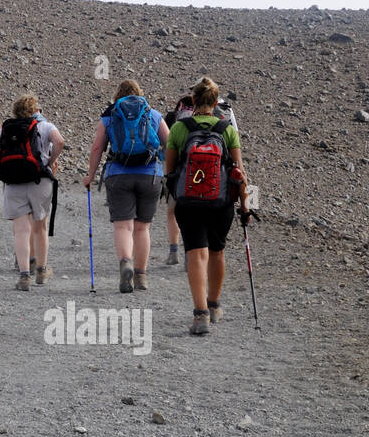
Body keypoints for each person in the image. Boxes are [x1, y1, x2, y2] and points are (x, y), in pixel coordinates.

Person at [164, 76, 251, 336]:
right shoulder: (227, 129)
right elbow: (239, 172)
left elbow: (168, 170)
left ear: (193, 100)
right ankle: (213, 306)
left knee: (195, 253)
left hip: (189, 202)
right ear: (215, 102)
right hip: (220, 201)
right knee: (216, 252)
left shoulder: (180, 129)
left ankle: (199, 313)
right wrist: (245, 206)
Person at [82, 80, 169, 293]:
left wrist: (90, 175)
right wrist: (167, 171)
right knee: (142, 228)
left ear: (117, 96)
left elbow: (96, 148)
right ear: (140, 94)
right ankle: (141, 276)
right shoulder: (153, 114)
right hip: (150, 176)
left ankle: (126, 263)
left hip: (118, 175)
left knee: (123, 227)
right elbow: (170, 142)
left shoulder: (110, 116)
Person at [0, 95, 64, 291]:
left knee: (21, 231)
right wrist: (49, 161)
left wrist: (1, 162)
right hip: (40, 180)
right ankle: (41, 271)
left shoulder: (6, 127)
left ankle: (23, 276)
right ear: (36, 109)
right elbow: (60, 142)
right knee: (40, 228)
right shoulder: (45, 126)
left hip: (13, 182)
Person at [162, 94, 195, 265]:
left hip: (176, 174)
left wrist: (167, 175)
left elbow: (165, 147)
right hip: (199, 176)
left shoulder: (172, 118)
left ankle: (173, 252)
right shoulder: (202, 121)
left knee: (172, 213)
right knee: (193, 215)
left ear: (180, 104)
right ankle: (190, 253)